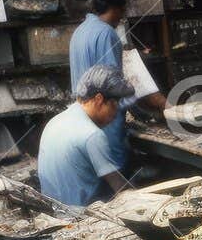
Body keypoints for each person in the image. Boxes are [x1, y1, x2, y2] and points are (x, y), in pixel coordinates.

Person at [68, 0, 164, 168]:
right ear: (119, 8)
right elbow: (114, 87)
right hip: (105, 123)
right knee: (115, 177)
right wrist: (148, 106)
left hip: (83, 119)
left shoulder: (80, 31)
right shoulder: (106, 34)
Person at [38, 64, 132, 208]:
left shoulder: (55, 122)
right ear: (99, 99)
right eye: (114, 105)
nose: (116, 113)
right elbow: (120, 187)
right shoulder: (92, 135)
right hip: (78, 217)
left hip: (51, 210)